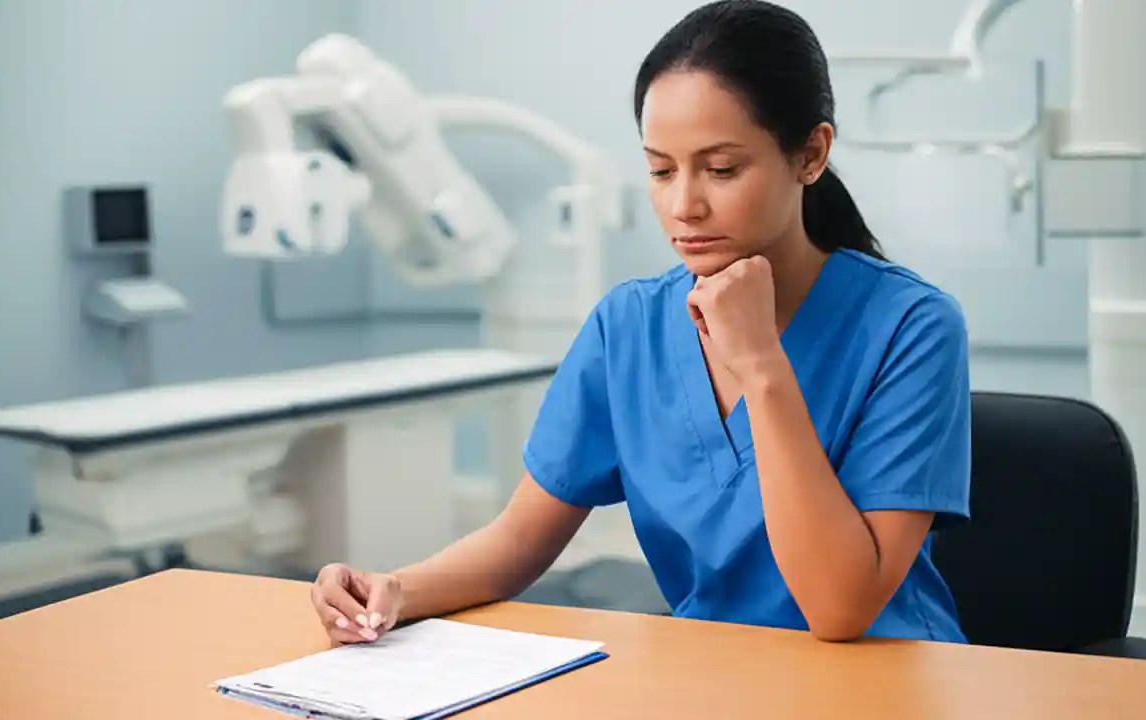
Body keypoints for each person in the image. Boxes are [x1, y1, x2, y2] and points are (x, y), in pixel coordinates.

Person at [311, 0, 971, 645]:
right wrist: (396, 589)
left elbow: (839, 610)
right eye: (661, 170)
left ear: (810, 154)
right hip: (712, 682)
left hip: (880, 683)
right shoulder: (628, 326)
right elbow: (518, 542)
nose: (684, 205)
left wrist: (762, 365)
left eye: (721, 169)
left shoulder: (911, 328)